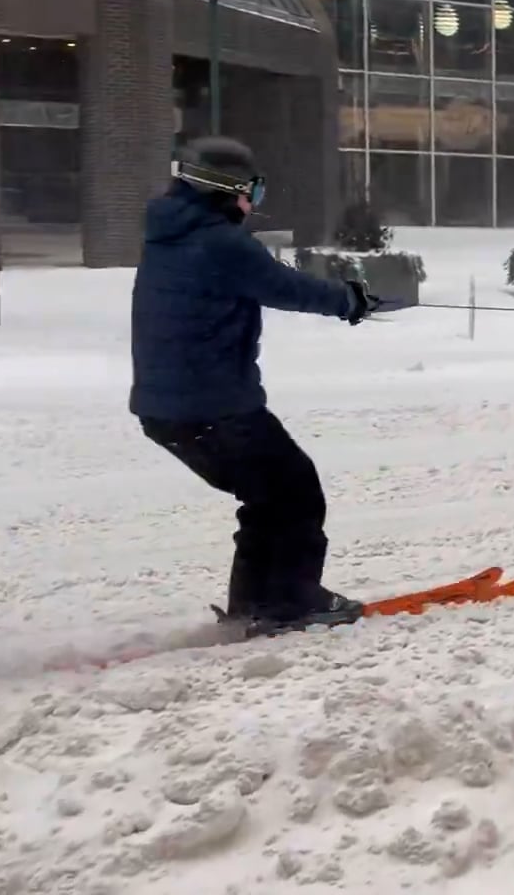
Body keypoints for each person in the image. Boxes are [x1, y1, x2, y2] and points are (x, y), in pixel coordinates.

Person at [129, 136, 382, 637]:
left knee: (270, 497)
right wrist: (350, 300)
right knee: (296, 491)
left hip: (167, 410)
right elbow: (286, 287)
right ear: (226, 190)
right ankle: (289, 603)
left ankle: (255, 605)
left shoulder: (168, 236)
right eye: (252, 193)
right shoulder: (221, 243)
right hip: (213, 407)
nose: (251, 205)